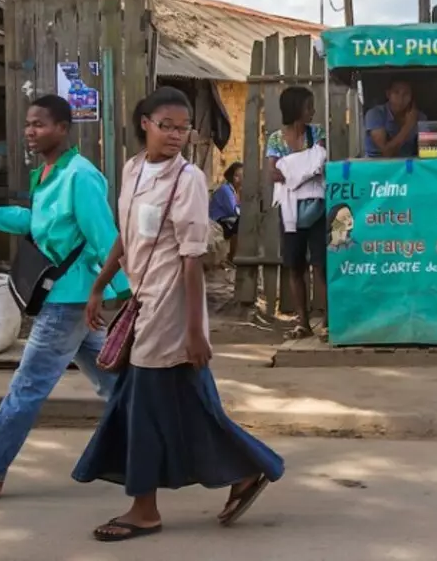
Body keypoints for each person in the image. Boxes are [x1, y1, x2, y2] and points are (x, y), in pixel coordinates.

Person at [75, 87, 284, 542]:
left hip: (171, 313)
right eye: (165, 125)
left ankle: (145, 509)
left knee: (141, 411)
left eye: (183, 126)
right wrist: (99, 285)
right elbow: (127, 238)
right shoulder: (132, 170)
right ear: (144, 123)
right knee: (188, 407)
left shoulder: (186, 179)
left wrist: (194, 330)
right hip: (142, 301)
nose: (175, 134)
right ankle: (249, 469)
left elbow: (192, 258)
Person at [0, 94, 130, 499]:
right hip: (65, 297)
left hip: (70, 299)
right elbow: (37, 222)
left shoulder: (80, 175)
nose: (30, 131)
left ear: (63, 127)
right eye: (28, 124)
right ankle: (165, 444)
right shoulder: (49, 173)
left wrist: (124, 294)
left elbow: (106, 238)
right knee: (119, 383)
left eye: (39, 124)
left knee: (28, 386)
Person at [265, 86, 327, 340]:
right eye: (308, 106)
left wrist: (291, 170)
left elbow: (319, 162)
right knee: (295, 265)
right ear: (296, 109)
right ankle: (303, 321)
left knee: (321, 264)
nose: (312, 111)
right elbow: (274, 173)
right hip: (291, 209)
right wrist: (305, 168)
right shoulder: (276, 139)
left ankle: (327, 321)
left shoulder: (317, 133)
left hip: (317, 207)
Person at [363, 79, 426, 158]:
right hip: (377, 165)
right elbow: (386, 153)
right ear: (388, 94)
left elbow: (426, 151)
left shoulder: (419, 116)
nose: (401, 98)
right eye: (396, 93)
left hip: (408, 165)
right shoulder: (375, 114)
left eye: (406, 94)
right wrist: (408, 126)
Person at [209, 161, 242, 261]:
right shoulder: (225, 189)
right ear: (232, 177)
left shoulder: (235, 191)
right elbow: (233, 211)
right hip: (217, 222)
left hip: (227, 221)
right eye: (238, 175)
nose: (241, 178)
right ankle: (232, 257)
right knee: (241, 223)